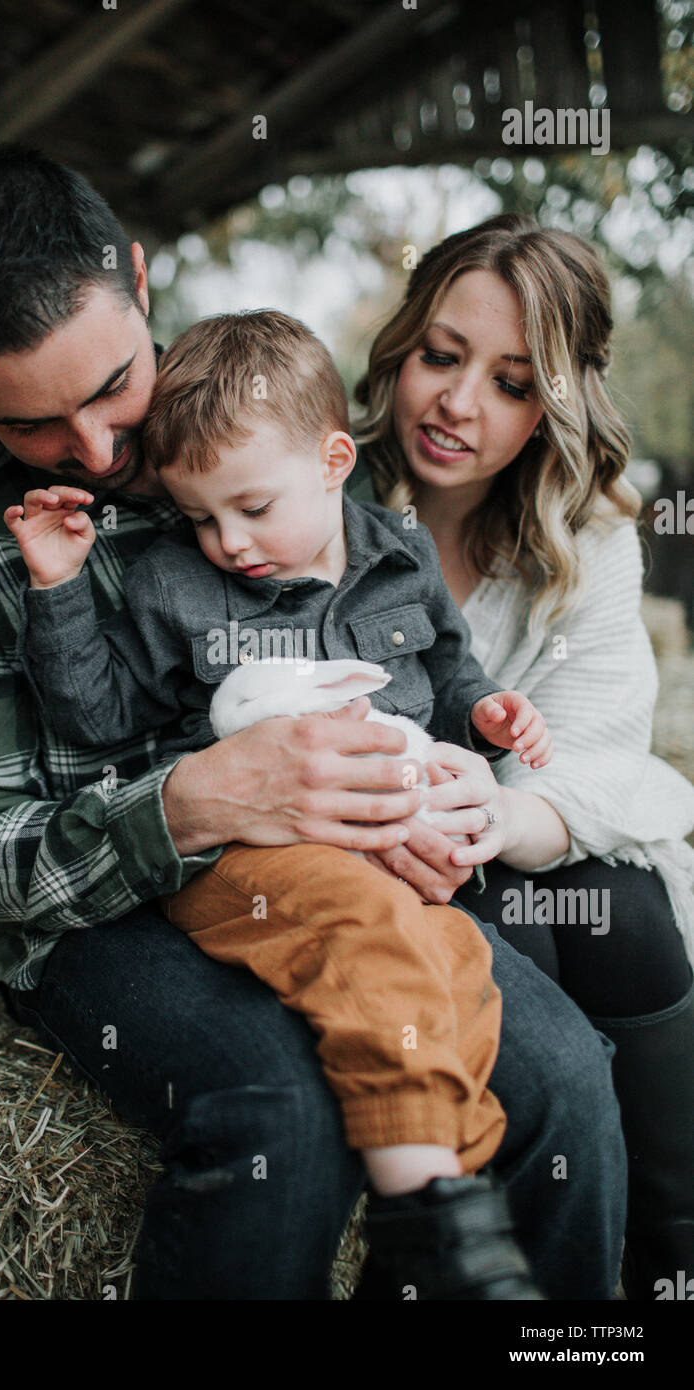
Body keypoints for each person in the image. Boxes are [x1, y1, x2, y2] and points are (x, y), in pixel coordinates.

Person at [0, 144, 626, 1300]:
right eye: (32, 424)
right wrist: (194, 799)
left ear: (135, 275)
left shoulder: (279, 436)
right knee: (279, 1112)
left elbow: (424, 639)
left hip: (340, 866)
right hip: (106, 916)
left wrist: (448, 790)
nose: (96, 450)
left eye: (110, 385)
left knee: (563, 1075)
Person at [4, 308, 554, 1299]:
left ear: (334, 458)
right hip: (244, 856)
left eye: (251, 507)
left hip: (382, 851)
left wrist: (490, 716)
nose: (228, 541)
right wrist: (58, 587)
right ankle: (425, 1204)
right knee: (369, 926)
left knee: (457, 959)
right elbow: (96, 711)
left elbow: (451, 673)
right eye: (201, 516)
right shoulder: (175, 583)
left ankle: (440, 1182)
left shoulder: (398, 557)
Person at [349, 211, 694, 1300]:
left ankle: (666, 1258)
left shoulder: (582, 538)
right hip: (363, 866)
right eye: (440, 357)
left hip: (495, 841)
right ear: (400, 346)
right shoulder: (315, 497)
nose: (455, 404)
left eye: (508, 382)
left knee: (624, 906)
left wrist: (499, 815)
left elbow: (599, 760)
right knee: (529, 942)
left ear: (553, 404)